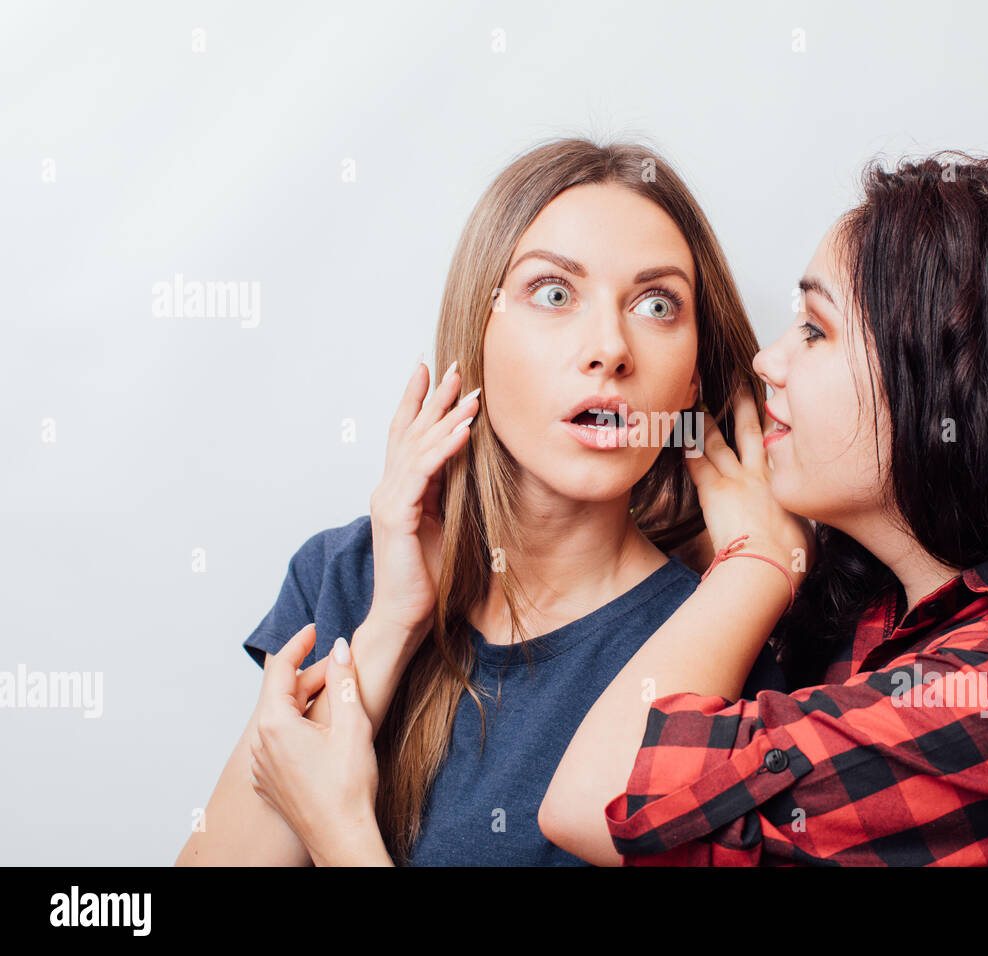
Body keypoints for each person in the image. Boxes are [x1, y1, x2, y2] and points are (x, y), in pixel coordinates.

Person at [539, 153, 988, 866]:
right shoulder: (860, 604)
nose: (769, 361)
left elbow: (599, 799)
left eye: (816, 331)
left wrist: (754, 565)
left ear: (953, 383)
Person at [174, 137, 784, 866]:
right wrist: (393, 625)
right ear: (479, 329)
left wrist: (341, 833)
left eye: (656, 305)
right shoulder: (350, 574)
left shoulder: (720, 638)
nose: (610, 348)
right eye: (554, 293)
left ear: (689, 386)